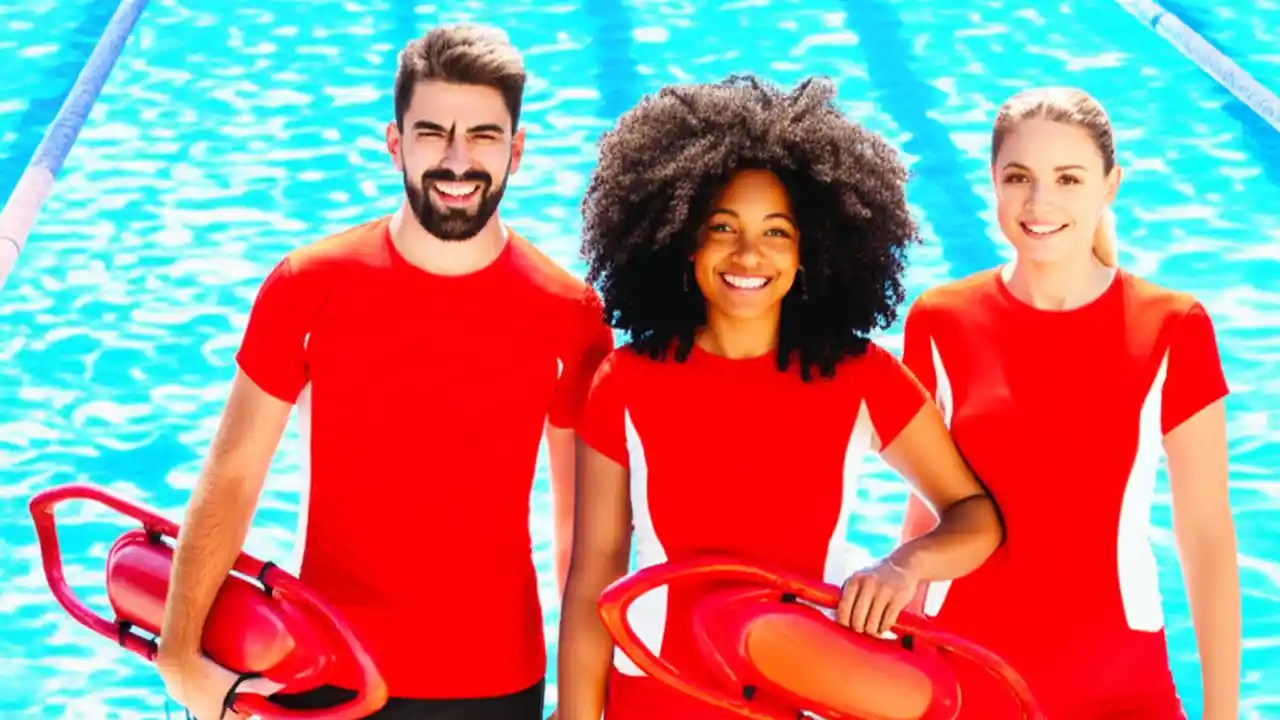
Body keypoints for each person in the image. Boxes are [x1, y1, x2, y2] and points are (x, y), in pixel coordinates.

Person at [154, 23, 614, 720]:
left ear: (517, 152)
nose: (457, 162)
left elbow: (581, 542)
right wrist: (179, 654)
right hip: (325, 669)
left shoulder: (569, 315)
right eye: (432, 133)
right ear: (394, 142)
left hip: (495, 685)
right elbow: (234, 474)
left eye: (484, 136)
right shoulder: (309, 286)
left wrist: (582, 707)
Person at [553, 74, 1005, 720]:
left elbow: (973, 514)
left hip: (797, 704)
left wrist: (905, 566)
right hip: (656, 700)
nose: (748, 254)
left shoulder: (860, 376)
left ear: (810, 252)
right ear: (683, 238)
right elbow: (592, 579)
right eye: (722, 227)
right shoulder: (625, 381)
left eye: (777, 232)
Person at [898, 86, 1242, 719]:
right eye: (1019, 177)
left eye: (1068, 178)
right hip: (965, 678)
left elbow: (1207, 537)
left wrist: (1223, 712)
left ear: (1111, 185)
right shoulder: (939, 321)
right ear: (994, 183)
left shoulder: (1171, 326)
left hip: (1119, 686)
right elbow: (927, 515)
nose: (1040, 202)